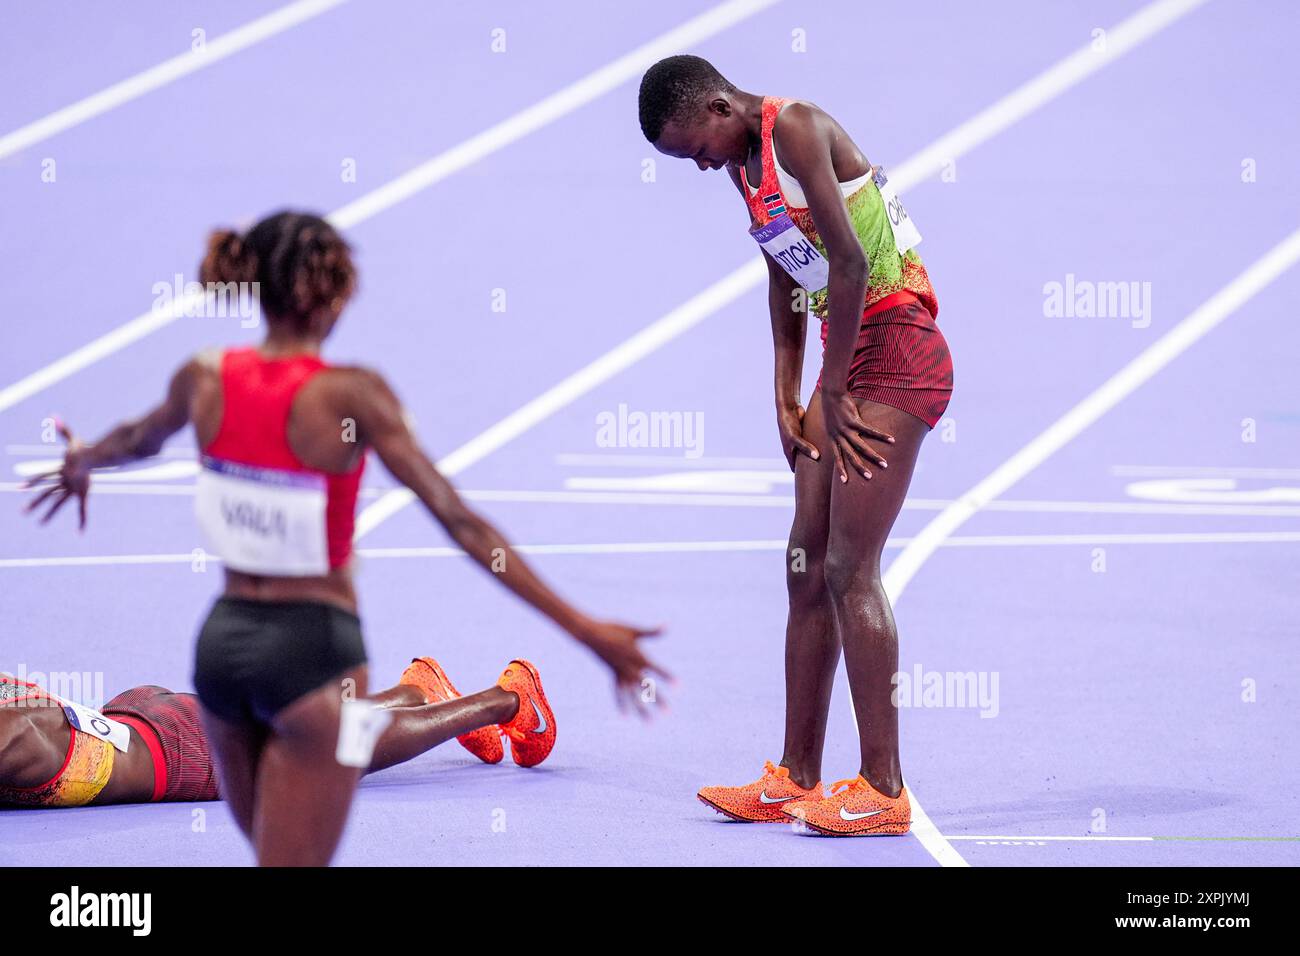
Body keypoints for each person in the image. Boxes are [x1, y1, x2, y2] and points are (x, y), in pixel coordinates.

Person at [25, 212, 666, 863]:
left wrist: (81, 463)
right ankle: (483, 701)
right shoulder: (350, 396)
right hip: (314, 655)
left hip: (221, 654)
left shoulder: (205, 377)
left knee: (271, 852)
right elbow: (462, 521)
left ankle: (468, 702)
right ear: (332, 296)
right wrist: (584, 629)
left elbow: (138, 438)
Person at [638, 56, 952, 836]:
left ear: (717, 104)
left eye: (694, 149)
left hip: (898, 349)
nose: (700, 165)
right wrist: (785, 388)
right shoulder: (744, 167)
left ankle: (883, 789)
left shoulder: (800, 128)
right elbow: (787, 273)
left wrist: (832, 390)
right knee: (804, 565)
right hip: (844, 359)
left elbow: (845, 264)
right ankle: (796, 776)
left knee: (850, 564)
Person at [0, 657, 548, 809]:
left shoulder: (12, 739)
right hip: (142, 718)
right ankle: (415, 693)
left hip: (183, 754)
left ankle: (507, 702)